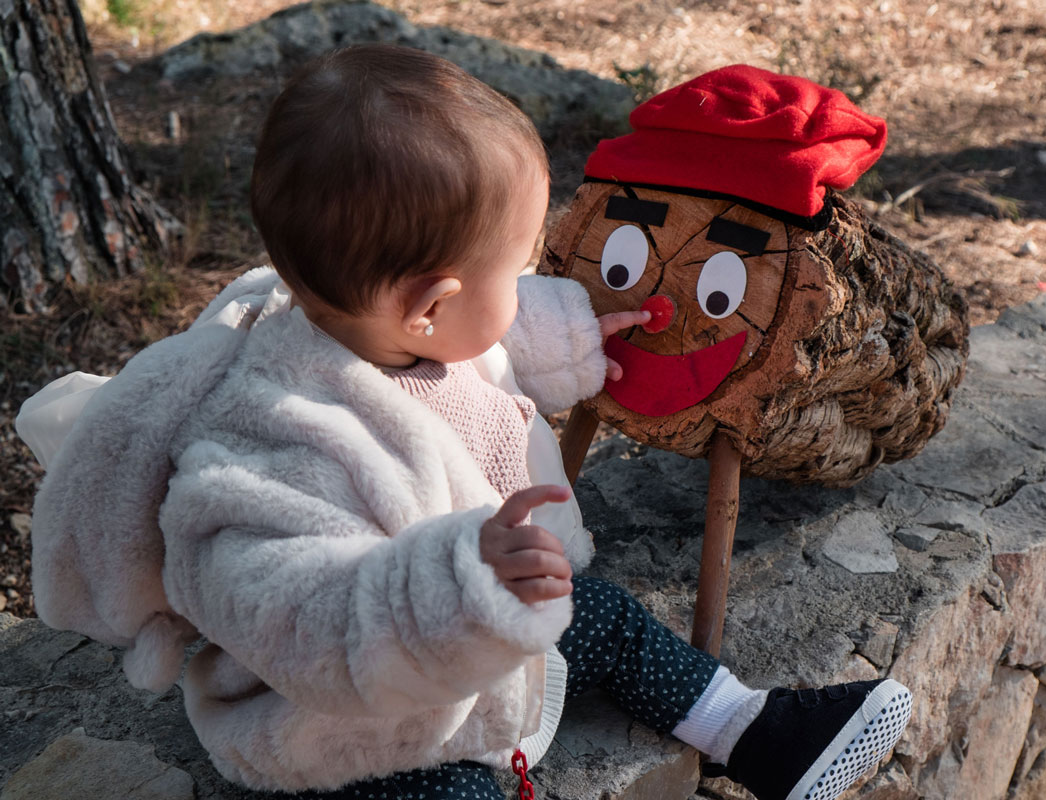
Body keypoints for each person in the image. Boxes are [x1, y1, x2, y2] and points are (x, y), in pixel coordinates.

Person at [21, 44, 911, 800]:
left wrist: (575, 336)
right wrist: (456, 585)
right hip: (353, 727)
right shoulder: (270, 442)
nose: (529, 281)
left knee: (598, 614)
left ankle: (754, 732)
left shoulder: (387, 325)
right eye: (518, 264)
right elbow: (295, 616)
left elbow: (492, 341)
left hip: (475, 641)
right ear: (432, 304)